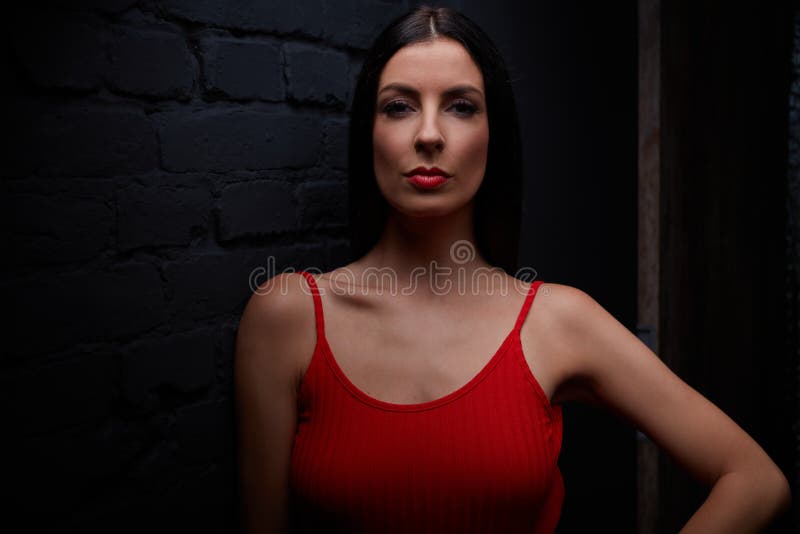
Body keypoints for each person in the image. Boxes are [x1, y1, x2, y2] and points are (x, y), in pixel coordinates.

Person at [234, 6, 791, 533]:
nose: (429, 134)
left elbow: (754, 480)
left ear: (493, 135)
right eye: (399, 106)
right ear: (369, 133)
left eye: (461, 105)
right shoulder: (287, 316)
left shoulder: (557, 320)